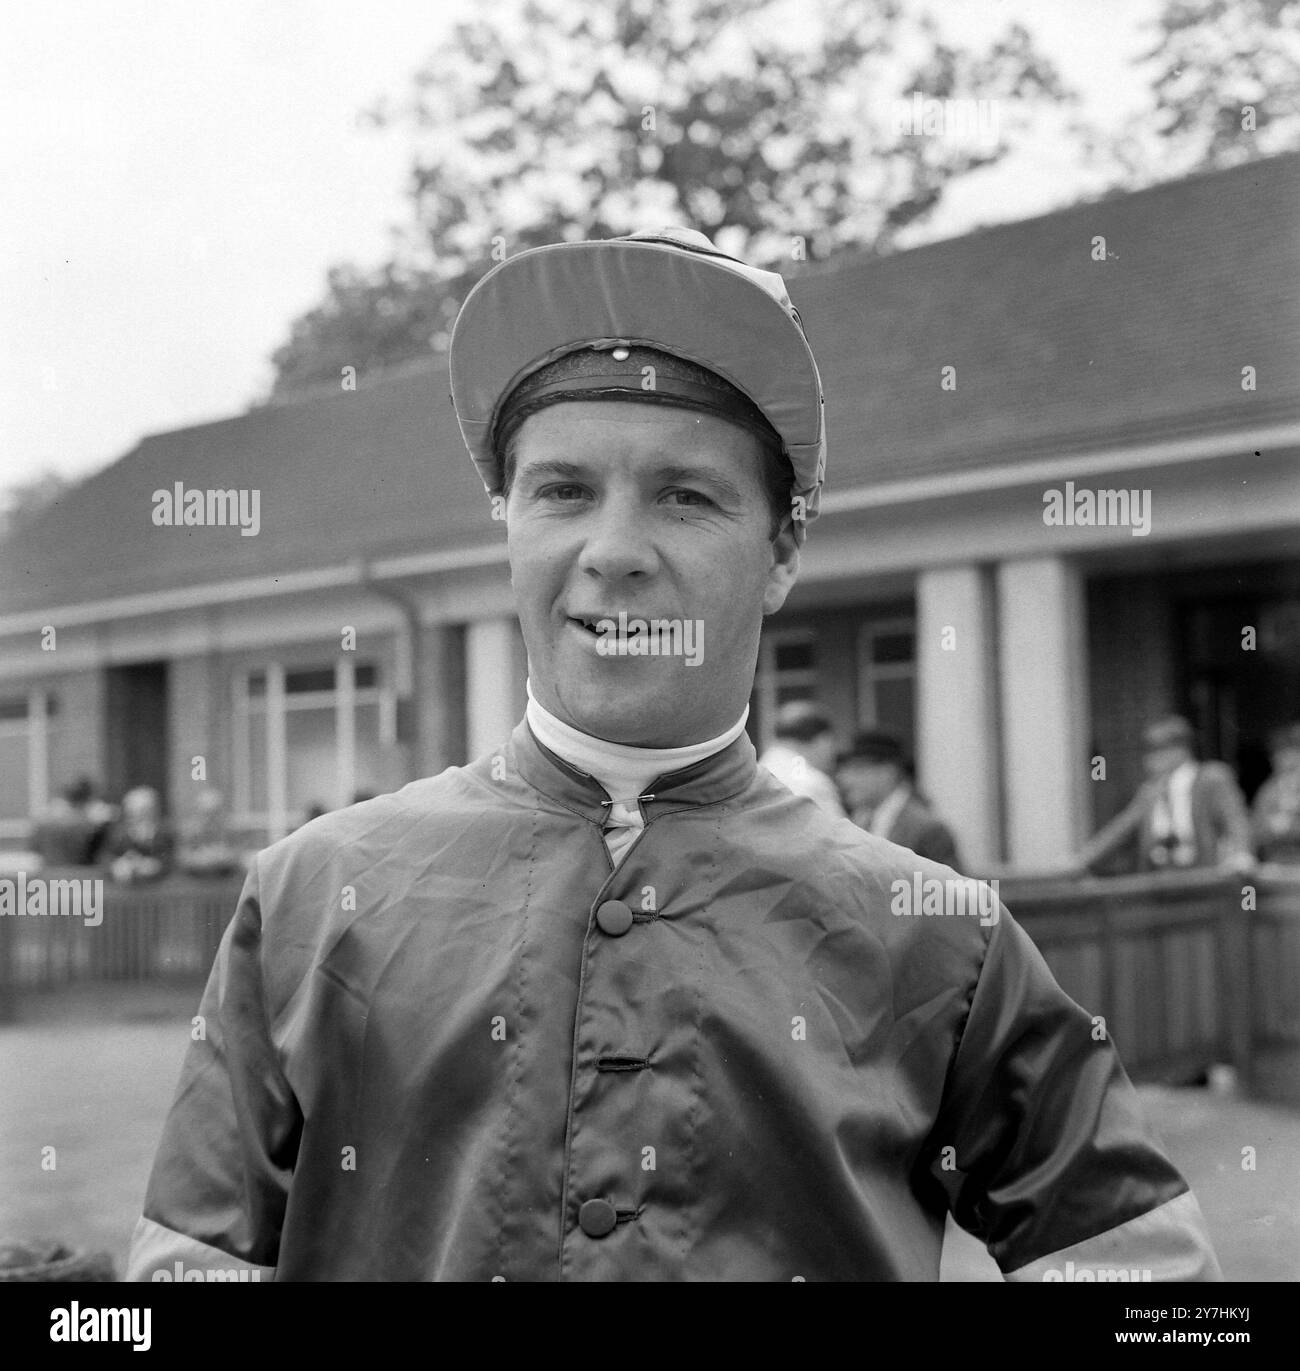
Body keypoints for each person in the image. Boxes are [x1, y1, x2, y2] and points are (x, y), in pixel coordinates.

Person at [126, 226, 1219, 1282]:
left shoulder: (941, 938)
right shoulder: (312, 897)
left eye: (683, 496)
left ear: (781, 549)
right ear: (506, 524)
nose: (611, 554)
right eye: (561, 492)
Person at [1076, 715, 1253, 876]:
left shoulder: (1211, 777)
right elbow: (1119, 830)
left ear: (1181, 749)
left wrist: (1242, 854)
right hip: (1163, 876)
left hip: (1202, 875)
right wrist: (1080, 861)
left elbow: (1235, 819)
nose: (1151, 759)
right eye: (1149, 751)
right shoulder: (1149, 791)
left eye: (1159, 750)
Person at [837, 730, 961, 869]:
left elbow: (950, 888)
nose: (845, 780)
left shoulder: (927, 829)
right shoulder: (861, 820)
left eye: (857, 770)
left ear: (887, 772)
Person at [757, 700, 845, 817]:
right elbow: (839, 833)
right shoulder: (812, 782)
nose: (833, 754)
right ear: (823, 740)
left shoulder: (759, 770)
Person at [102, 786, 174, 885]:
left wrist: (155, 866)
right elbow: (105, 858)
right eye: (132, 813)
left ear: (154, 812)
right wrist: (117, 865)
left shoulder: (166, 834)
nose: (137, 818)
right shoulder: (119, 835)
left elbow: (173, 860)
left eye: (143, 812)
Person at [1251, 721, 1300, 864]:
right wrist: (1271, 828)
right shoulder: (1268, 790)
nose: (1283, 760)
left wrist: (1289, 827)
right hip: (1275, 864)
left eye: (1290, 754)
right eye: (1278, 755)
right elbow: (1255, 830)